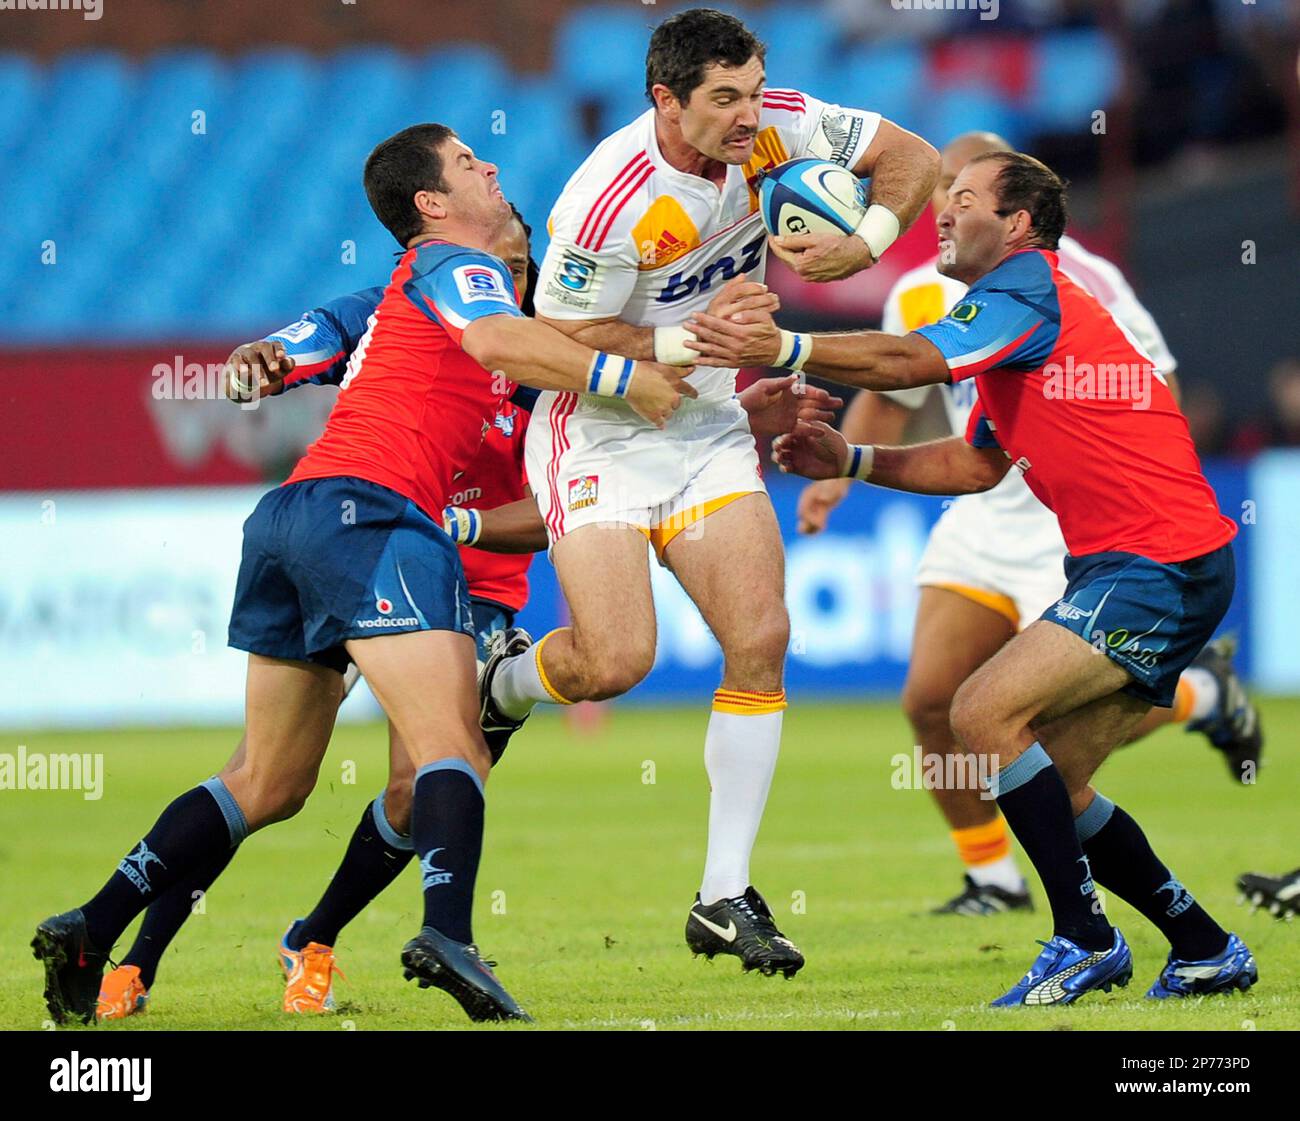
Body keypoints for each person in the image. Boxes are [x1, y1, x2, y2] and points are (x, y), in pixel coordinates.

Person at [94, 207, 842, 1019]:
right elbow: (297, 346)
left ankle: (312, 937)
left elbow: (559, 497)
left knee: (423, 786)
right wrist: (262, 359)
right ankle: (137, 956)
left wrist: (732, 414)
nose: (518, 273)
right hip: (361, 538)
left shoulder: (553, 352)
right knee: (268, 775)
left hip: (475, 580)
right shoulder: (401, 307)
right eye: (508, 255)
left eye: (531, 262)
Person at [34, 122, 693, 1025]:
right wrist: (633, 374)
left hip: (297, 517)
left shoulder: (486, 329)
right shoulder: (462, 279)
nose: (497, 182)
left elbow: (314, 353)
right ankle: (447, 936)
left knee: (269, 782)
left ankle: (94, 923)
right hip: (378, 519)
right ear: (432, 208)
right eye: (470, 166)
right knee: (449, 751)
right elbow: (418, 341)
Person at [689, 150, 1258, 1004]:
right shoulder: (1010, 320)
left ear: (1019, 223)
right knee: (1054, 783)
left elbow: (910, 364)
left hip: (1157, 559)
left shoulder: (1028, 288)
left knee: (979, 712)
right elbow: (975, 461)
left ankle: (1083, 938)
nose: (942, 214)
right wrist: (851, 457)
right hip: (1145, 559)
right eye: (941, 201)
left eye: (962, 200)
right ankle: (1205, 946)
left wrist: (785, 344)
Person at [479, 5, 939, 976]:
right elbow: (560, 338)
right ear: (666, 99)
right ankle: (506, 681)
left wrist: (868, 242)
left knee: (761, 636)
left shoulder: (777, 120)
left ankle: (723, 894)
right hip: (599, 427)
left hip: (708, 432)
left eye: (750, 91)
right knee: (615, 660)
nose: (745, 117)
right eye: (722, 99)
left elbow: (914, 157)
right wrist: (694, 341)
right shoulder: (605, 199)